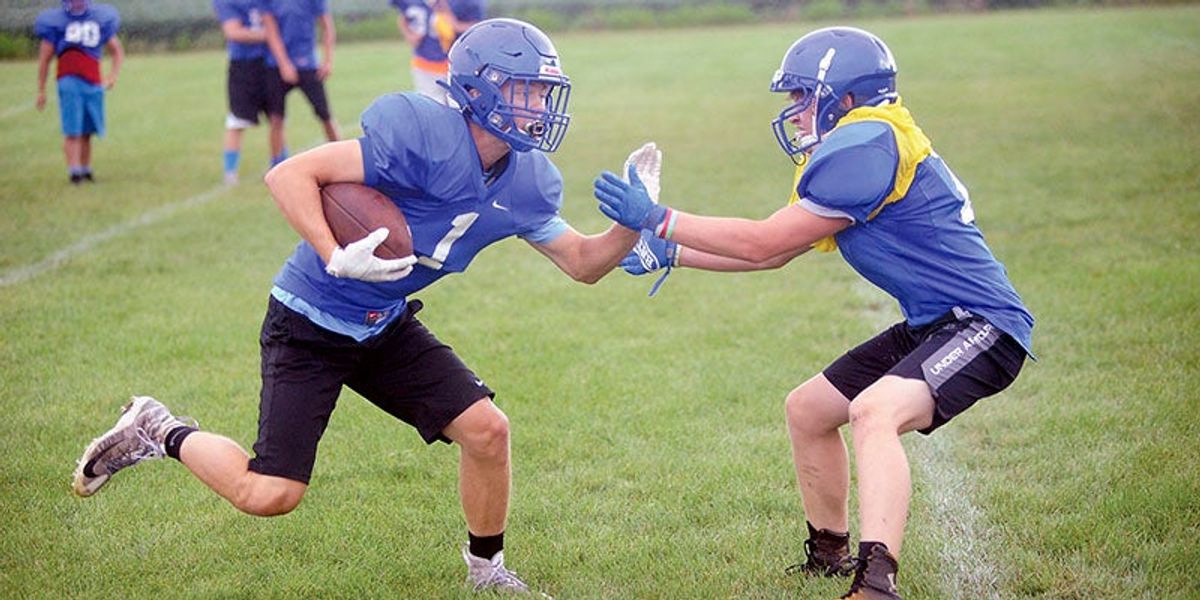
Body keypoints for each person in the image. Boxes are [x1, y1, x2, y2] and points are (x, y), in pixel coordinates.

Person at [72, 18, 645, 595]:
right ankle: (158, 427)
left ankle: (487, 572)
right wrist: (334, 252)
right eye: (529, 91)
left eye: (545, 93)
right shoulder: (422, 133)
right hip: (309, 320)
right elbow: (290, 174)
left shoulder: (526, 181)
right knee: (270, 494)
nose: (541, 106)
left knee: (488, 431)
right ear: (481, 89)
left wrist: (631, 223)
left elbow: (582, 262)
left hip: (382, 325)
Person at [594, 26, 1034, 600]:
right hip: (938, 320)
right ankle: (828, 555)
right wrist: (673, 252)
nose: (795, 113)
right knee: (809, 409)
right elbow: (775, 252)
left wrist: (660, 218)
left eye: (802, 97)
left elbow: (760, 242)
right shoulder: (863, 141)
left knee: (873, 412)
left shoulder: (867, 144)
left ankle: (877, 584)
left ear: (843, 98)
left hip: (983, 324)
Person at [34, 0, 123, 185]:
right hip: (69, 79)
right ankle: (74, 172)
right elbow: (45, 59)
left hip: (93, 80)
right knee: (72, 129)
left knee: (87, 130)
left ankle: (85, 169)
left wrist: (113, 75)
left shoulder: (98, 19)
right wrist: (41, 89)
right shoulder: (57, 23)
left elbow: (117, 50)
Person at [262, 0, 339, 167]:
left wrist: (328, 60)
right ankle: (275, 165)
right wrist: (284, 64)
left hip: (308, 64)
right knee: (276, 118)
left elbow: (327, 27)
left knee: (325, 115)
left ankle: (342, 158)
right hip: (276, 66)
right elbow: (271, 32)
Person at [213, 0, 271, 185]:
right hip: (243, 66)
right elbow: (233, 32)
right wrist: (272, 34)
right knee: (237, 120)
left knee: (277, 118)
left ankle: (279, 165)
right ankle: (230, 173)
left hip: (270, 63)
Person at [391, 0, 486, 104]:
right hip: (426, 63)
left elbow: (480, 27)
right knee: (432, 107)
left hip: (458, 66)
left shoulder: (466, 3)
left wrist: (456, 25)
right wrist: (409, 34)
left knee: (460, 107)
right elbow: (403, 17)